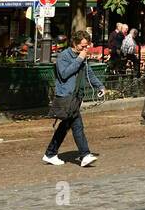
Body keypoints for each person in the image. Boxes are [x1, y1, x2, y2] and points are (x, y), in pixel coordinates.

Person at [42, 30, 105, 167]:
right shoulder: (64, 56)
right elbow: (64, 74)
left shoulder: (81, 57)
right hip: (67, 96)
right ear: (75, 44)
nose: (85, 49)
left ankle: (50, 153)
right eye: (83, 46)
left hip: (76, 96)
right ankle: (85, 154)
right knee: (77, 126)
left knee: (64, 126)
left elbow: (89, 73)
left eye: (87, 46)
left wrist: (100, 86)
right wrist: (79, 59)